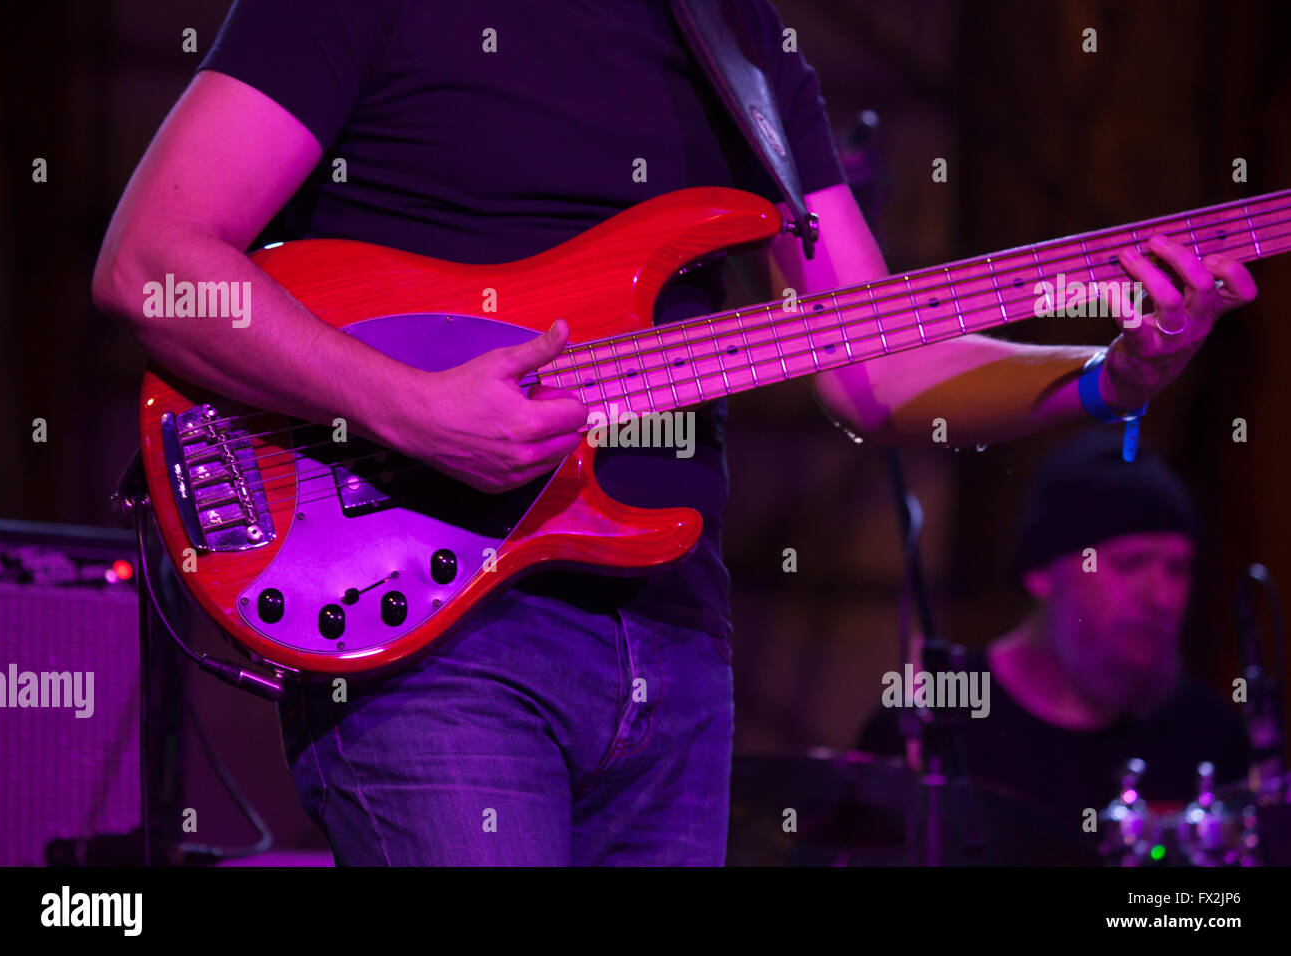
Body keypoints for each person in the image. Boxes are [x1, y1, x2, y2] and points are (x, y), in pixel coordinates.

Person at [91, 0, 1257, 865]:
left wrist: (1108, 374)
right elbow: (153, 260)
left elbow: (874, 363)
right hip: (436, 630)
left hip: (671, 643)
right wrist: (418, 412)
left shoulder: (740, 40)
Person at [857, 428, 1250, 825]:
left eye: (1178, 570)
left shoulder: (1207, 736)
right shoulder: (938, 715)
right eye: (1129, 564)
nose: (1162, 598)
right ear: (1042, 573)